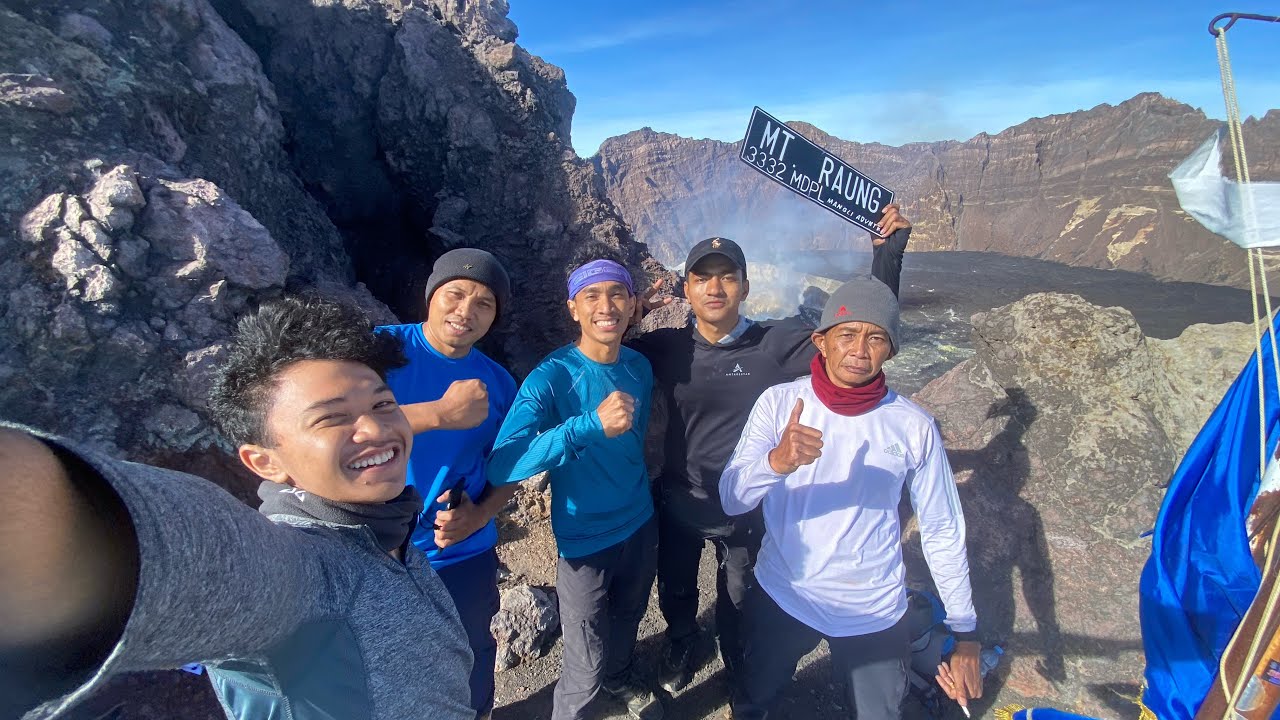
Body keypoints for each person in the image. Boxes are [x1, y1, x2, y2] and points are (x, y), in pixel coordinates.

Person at [1, 297, 474, 720]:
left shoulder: (388, 528)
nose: (375, 430)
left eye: (384, 404)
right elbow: (163, 547)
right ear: (264, 461)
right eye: (331, 417)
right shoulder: (302, 571)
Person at [627, 207, 911, 696]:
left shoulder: (776, 342)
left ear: (745, 287)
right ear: (687, 289)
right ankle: (681, 640)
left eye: (728, 277)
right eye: (702, 278)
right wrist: (628, 308)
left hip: (750, 506)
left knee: (739, 596)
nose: (715, 288)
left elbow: (857, 333)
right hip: (680, 500)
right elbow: (603, 348)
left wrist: (888, 256)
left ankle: (741, 663)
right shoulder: (665, 347)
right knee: (675, 586)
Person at [720, 275, 980, 719]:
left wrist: (965, 630)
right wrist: (776, 462)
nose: (860, 350)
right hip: (785, 592)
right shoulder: (780, 403)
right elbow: (731, 499)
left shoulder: (912, 425)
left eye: (876, 337)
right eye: (847, 334)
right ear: (821, 342)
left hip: (873, 609)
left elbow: (941, 527)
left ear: (891, 350)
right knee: (755, 698)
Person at [488, 252, 662, 720]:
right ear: (573, 308)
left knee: (629, 617)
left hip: (640, 522)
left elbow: (634, 445)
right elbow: (503, 464)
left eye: (617, 294)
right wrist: (584, 426)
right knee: (584, 660)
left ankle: (621, 679)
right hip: (584, 539)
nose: (606, 306)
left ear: (632, 305)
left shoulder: (639, 369)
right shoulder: (552, 377)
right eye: (592, 296)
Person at [377, 248, 519, 720]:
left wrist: (479, 514)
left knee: (472, 654)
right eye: (455, 294)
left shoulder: (499, 384)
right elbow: (326, 431)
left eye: (484, 304)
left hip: (461, 553)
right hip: (372, 551)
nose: (465, 311)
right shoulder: (377, 352)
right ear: (431, 295)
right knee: (385, 666)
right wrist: (437, 414)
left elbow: (511, 468)